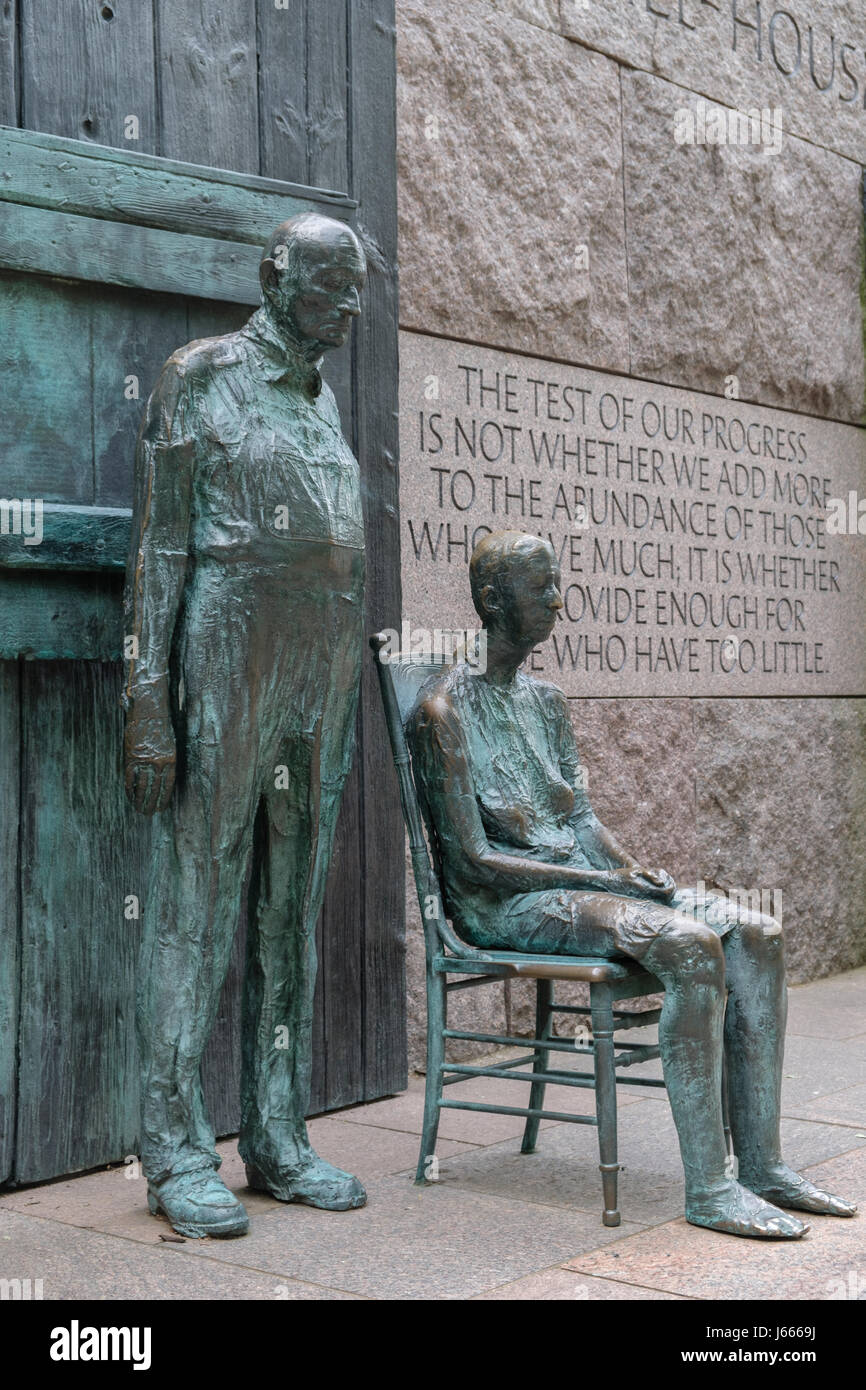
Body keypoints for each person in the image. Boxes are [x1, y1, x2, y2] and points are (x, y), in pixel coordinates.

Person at [407, 529, 857, 1238]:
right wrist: (601, 878)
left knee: (758, 933)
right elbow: (472, 864)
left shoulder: (546, 701)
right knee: (688, 945)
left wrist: (629, 868)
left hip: (584, 885)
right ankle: (709, 1189)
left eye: (558, 583)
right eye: (543, 586)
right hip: (508, 906)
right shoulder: (444, 713)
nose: (560, 599)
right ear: (493, 600)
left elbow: (581, 816)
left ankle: (763, 1166)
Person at [122, 213, 368, 1238]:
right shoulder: (200, 374)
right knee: (196, 894)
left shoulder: (321, 397)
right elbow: (160, 550)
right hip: (226, 653)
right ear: (273, 276)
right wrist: (147, 697)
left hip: (320, 668)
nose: (346, 307)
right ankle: (175, 1147)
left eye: (355, 290)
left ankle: (275, 1132)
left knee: (288, 905)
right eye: (326, 285)